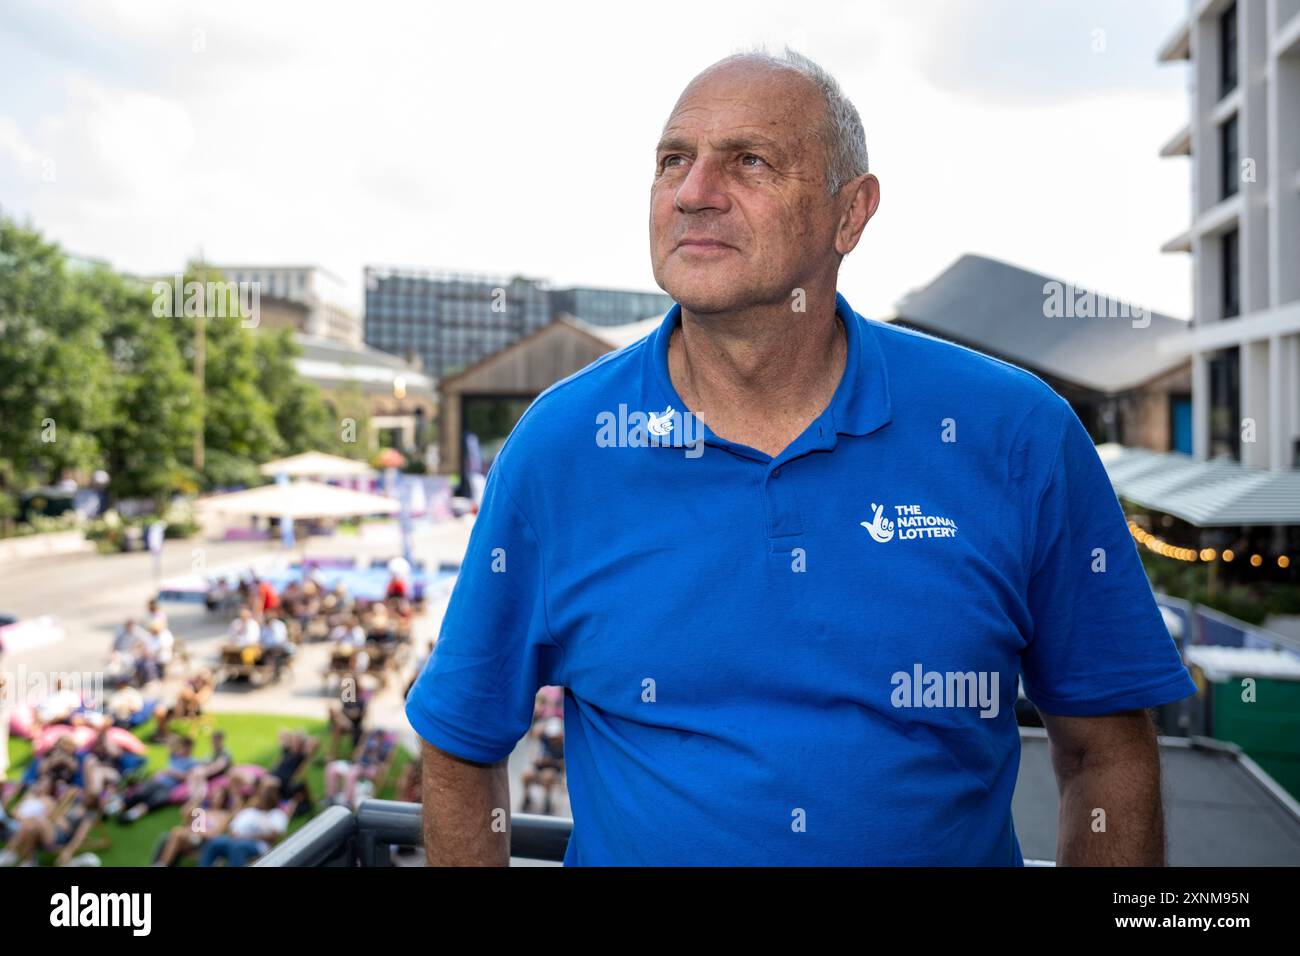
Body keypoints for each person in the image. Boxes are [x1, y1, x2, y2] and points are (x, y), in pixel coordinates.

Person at [404, 49, 1197, 866]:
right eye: (674, 160)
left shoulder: (1018, 433)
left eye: (749, 161)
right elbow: (462, 740)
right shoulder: (559, 448)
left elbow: (1107, 751)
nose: (693, 193)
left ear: (849, 214)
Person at [199, 778, 287, 867]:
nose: (259, 799)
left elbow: (274, 836)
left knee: (239, 847)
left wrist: (246, 837)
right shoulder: (248, 811)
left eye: (264, 797)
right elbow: (231, 827)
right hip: (235, 840)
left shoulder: (277, 814)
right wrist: (233, 835)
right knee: (215, 842)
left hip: (257, 845)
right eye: (259, 796)